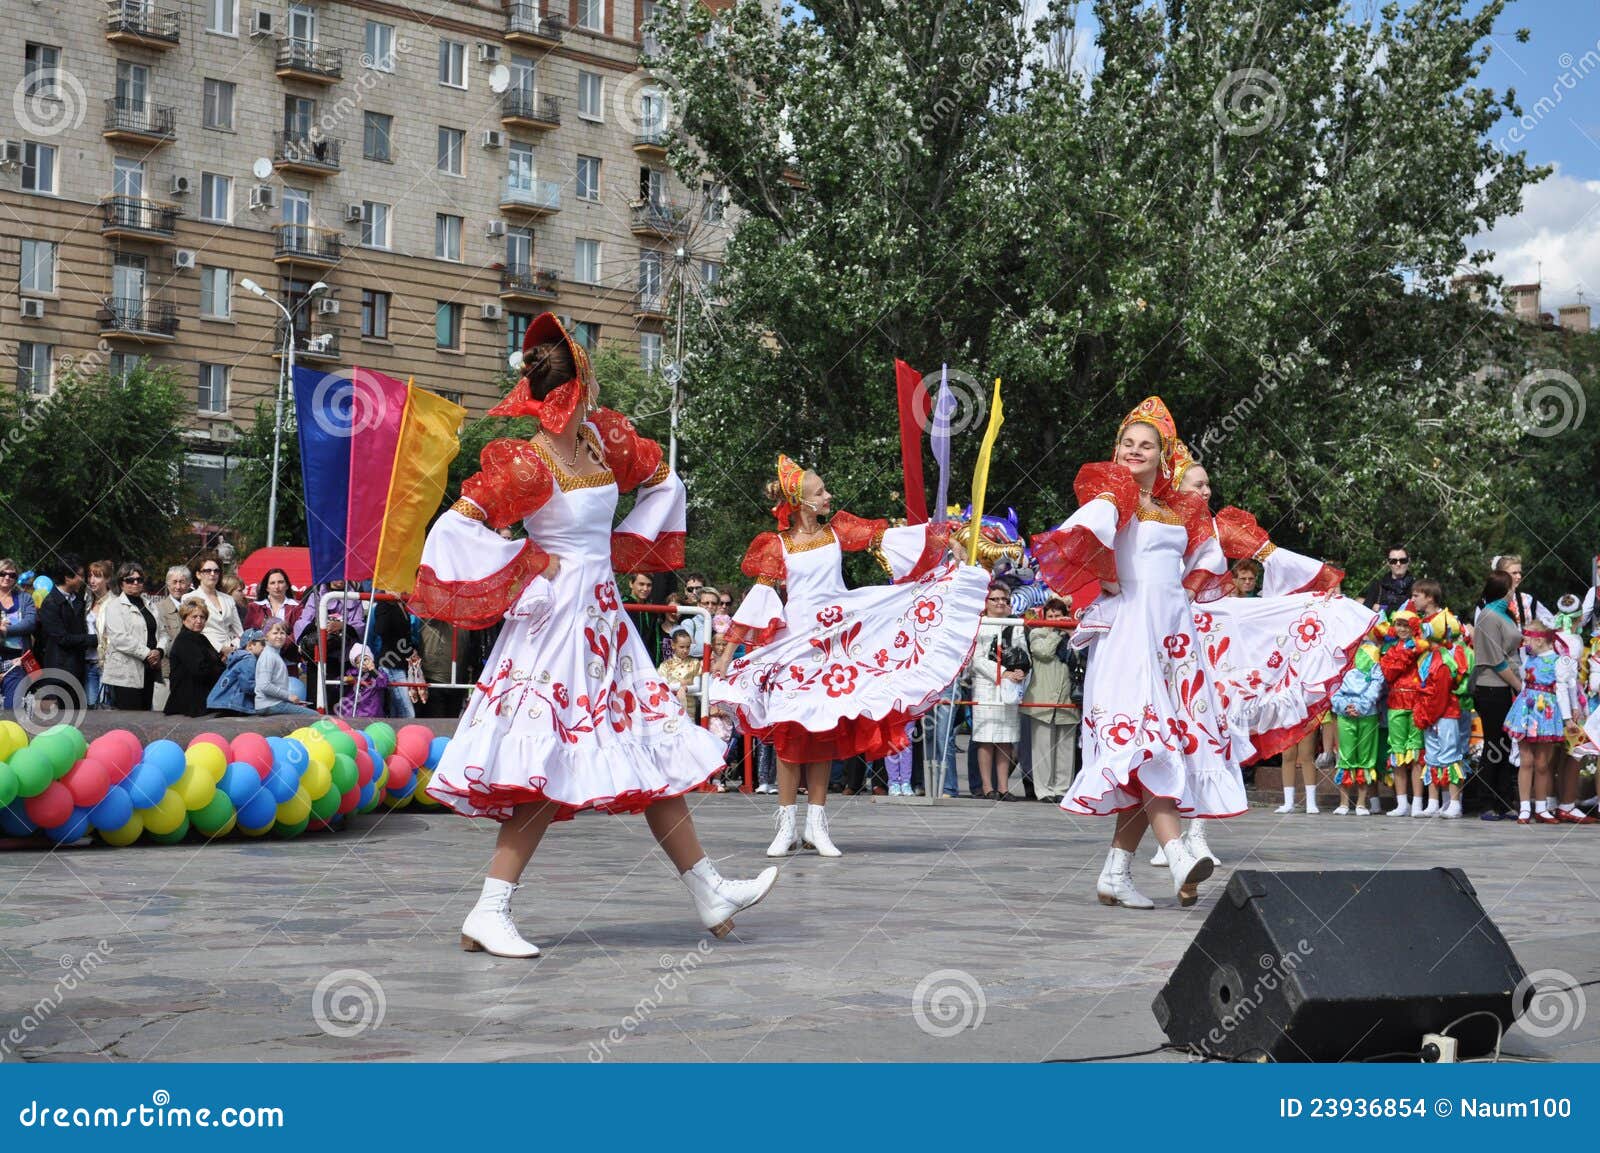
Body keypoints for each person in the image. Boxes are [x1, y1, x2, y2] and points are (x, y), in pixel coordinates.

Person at [408, 311, 776, 956]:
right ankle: (490, 909)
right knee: (545, 764)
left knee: (653, 751)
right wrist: (531, 563)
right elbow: (452, 532)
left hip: (604, 620)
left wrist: (621, 546)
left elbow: (666, 479)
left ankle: (708, 888)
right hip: (558, 626)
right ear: (581, 383)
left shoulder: (602, 444)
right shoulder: (525, 463)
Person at [714, 454, 989, 858]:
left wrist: (942, 539)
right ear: (803, 502)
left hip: (838, 643)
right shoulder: (777, 546)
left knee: (822, 734)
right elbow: (760, 601)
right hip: (795, 646)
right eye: (820, 492)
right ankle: (786, 825)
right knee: (790, 732)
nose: (828, 496)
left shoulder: (838, 531)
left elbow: (891, 537)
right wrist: (727, 652)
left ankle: (817, 825)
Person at [1029, 397, 1244, 909]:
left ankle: (1115, 874)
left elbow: (1207, 558)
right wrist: (1084, 542)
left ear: (1163, 452)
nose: (1134, 450)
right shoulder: (1113, 495)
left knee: (1158, 750)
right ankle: (1176, 852)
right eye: (1127, 442)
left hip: (1172, 645)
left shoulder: (1179, 509)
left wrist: (1187, 594)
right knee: (1147, 745)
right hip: (1127, 639)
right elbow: (1089, 529)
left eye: (1146, 444)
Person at [1503, 623, 1574, 824]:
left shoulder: (1558, 662)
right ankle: (1525, 808)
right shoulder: (1527, 657)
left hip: (1546, 713)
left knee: (1543, 763)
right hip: (1526, 709)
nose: (1524, 643)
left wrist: (1567, 719)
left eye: (1527, 639)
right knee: (1526, 761)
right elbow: (1525, 683)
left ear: (1539, 640)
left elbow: (1562, 690)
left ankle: (1541, 808)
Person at [1471, 571, 1522, 819]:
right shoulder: (1489, 616)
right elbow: (1496, 659)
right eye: (1512, 586)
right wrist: (1519, 687)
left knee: (1505, 743)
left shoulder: (1504, 613)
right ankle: (1486, 801)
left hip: (1506, 685)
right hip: (1493, 686)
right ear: (1504, 589)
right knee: (1494, 743)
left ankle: (1504, 800)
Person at [969, 583, 1027, 799]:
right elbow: (977, 659)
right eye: (996, 599)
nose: (1001, 602)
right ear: (986, 603)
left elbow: (1024, 652)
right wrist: (1003, 672)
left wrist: (1021, 670)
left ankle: (1003, 787)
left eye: (1005, 599)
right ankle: (987, 787)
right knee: (986, 738)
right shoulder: (979, 625)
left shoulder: (1016, 625)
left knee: (1005, 737)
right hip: (986, 687)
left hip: (1010, 688)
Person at [1024, 598, 1078, 803]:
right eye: (1051, 616)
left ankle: (1062, 789)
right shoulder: (1038, 632)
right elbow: (1044, 652)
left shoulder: (1074, 634)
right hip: (1042, 698)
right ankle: (1044, 790)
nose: (1055, 619)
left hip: (1067, 697)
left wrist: (1072, 634)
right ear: (1044, 617)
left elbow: (1083, 656)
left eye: (1059, 615)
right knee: (1042, 748)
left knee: (1065, 748)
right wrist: (1057, 631)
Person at [1331, 624, 1385, 814]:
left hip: (1367, 714)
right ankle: (1344, 803)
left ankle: (1361, 803)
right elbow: (1334, 685)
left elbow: (1376, 685)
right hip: (1346, 714)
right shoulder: (1341, 657)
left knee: (1365, 758)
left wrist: (1361, 706)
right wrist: (1344, 706)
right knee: (1345, 756)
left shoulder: (1374, 654)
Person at [101, 563, 164, 710]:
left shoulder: (151, 605)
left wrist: (159, 651)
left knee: (146, 717)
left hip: (149, 670)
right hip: (126, 673)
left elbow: (163, 633)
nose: (135, 583)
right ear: (121, 583)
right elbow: (119, 638)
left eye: (139, 579)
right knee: (129, 719)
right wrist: (148, 653)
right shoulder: (114, 606)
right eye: (130, 580)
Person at [34, 555, 93, 712]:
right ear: (68, 577)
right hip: (61, 671)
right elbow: (63, 638)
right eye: (80, 575)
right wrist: (94, 639)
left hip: (80, 667)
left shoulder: (78, 600)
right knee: (66, 716)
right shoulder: (50, 603)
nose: (83, 579)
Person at [165, 599, 224, 716]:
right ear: (184, 618)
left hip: (202, 697)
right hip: (190, 702)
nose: (199, 621)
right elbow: (200, 670)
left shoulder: (200, 638)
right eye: (194, 617)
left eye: (202, 617)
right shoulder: (185, 639)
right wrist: (219, 669)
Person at [255, 618, 318, 717]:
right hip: (270, 704)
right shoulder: (269, 656)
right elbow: (264, 685)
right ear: (266, 636)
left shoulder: (274, 655)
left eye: (282, 633)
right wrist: (288, 696)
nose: (279, 636)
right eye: (275, 633)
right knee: (316, 716)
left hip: (274, 703)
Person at [0, 557, 39, 709]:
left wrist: (5, 629)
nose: (7, 577)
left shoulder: (25, 598)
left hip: (17, 660)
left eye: (12, 575)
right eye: (2, 573)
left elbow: (30, 624)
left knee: (12, 705)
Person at [189, 554, 242, 656]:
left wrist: (233, 647)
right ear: (198, 574)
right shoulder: (189, 598)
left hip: (231, 654)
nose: (212, 574)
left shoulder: (229, 599)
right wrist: (221, 648)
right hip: (204, 653)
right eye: (207, 571)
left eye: (216, 571)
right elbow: (194, 632)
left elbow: (239, 631)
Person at [208, 628, 265, 714]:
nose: (266, 647)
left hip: (224, 700)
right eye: (263, 644)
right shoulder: (249, 659)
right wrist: (263, 690)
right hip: (234, 702)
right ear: (250, 646)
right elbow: (247, 684)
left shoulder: (240, 656)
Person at [85, 559, 115, 709]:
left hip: (105, 664)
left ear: (107, 579)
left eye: (97, 576)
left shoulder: (114, 603)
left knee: (104, 708)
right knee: (90, 708)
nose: (92, 580)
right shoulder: (86, 600)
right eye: (90, 576)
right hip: (87, 662)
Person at [336, 644, 392, 718]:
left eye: (365, 659)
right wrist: (344, 679)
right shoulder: (352, 673)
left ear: (371, 659)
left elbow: (383, 683)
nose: (362, 663)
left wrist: (373, 671)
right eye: (358, 662)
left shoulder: (379, 673)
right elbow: (337, 685)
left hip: (372, 713)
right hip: (353, 713)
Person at [657, 628, 701, 718]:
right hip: (670, 707)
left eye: (688, 647)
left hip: (689, 708)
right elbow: (663, 687)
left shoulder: (695, 663)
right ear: (673, 645)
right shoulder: (665, 665)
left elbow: (697, 687)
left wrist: (685, 688)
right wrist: (680, 684)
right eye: (682, 647)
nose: (685, 650)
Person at [624, 572, 664, 663]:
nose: (645, 589)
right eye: (641, 584)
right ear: (631, 583)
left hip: (646, 662)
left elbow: (655, 642)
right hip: (626, 659)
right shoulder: (623, 605)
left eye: (649, 585)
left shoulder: (651, 610)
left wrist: (656, 665)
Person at [1361, 546, 1415, 614]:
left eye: (1403, 560)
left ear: (1408, 561)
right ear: (1388, 563)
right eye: (1393, 561)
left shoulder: (1417, 587)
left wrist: (1380, 608)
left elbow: (1415, 610)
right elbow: (1365, 610)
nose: (1398, 564)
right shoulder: (1377, 585)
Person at [253, 568, 301, 632]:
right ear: (267, 588)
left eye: (280, 582)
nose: (277, 587)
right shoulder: (254, 607)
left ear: (287, 586)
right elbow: (249, 633)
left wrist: (283, 640)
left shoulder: (297, 606)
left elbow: (300, 632)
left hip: (290, 642)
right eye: (272, 583)